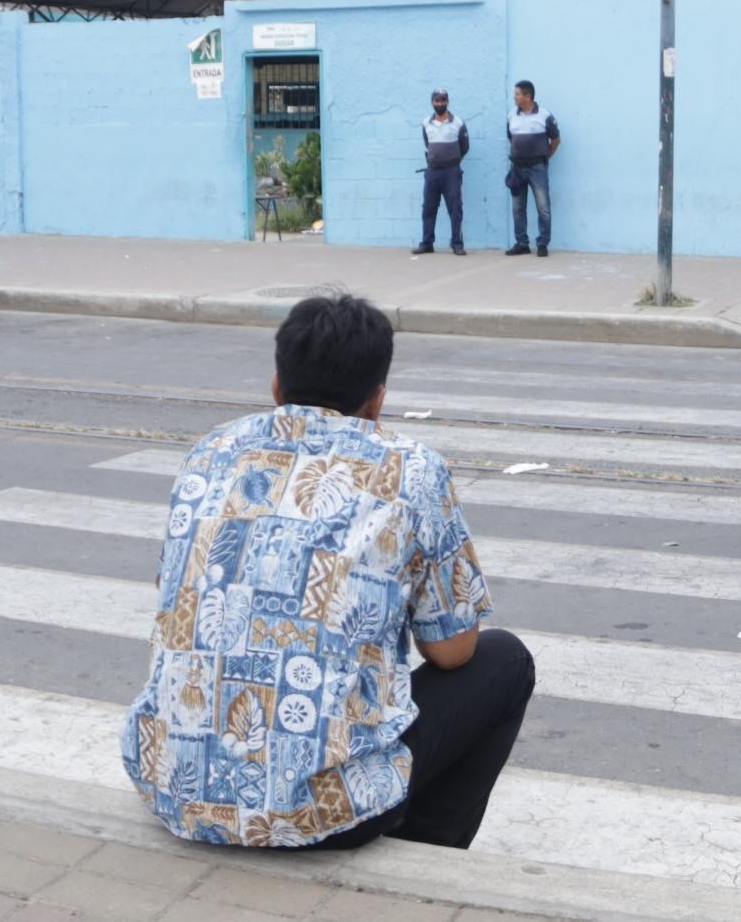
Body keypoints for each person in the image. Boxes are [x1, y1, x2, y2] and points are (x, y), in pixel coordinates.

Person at [122, 293, 535, 850]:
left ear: (276, 388)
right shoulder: (411, 470)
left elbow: (175, 596)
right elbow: (453, 652)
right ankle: (425, 850)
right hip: (322, 818)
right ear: (378, 401)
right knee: (504, 661)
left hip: (174, 790)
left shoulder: (209, 451)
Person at [504, 80, 558, 257]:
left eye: (517, 94)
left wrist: (543, 157)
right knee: (518, 207)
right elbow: (511, 138)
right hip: (517, 168)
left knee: (543, 207)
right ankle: (522, 243)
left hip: (537, 168)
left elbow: (556, 140)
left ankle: (543, 243)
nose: (514, 96)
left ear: (528, 96)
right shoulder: (512, 115)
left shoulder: (544, 115)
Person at [415, 88, 469, 256]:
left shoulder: (458, 123)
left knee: (455, 208)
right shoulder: (426, 123)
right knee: (428, 208)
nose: (440, 103)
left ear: (448, 102)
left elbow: (465, 147)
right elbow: (427, 144)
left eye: (443, 100)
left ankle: (457, 244)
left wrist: (451, 161)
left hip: (451, 172)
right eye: (437, 100)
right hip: (432, 172)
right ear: (432, 102)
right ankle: (427, 243)